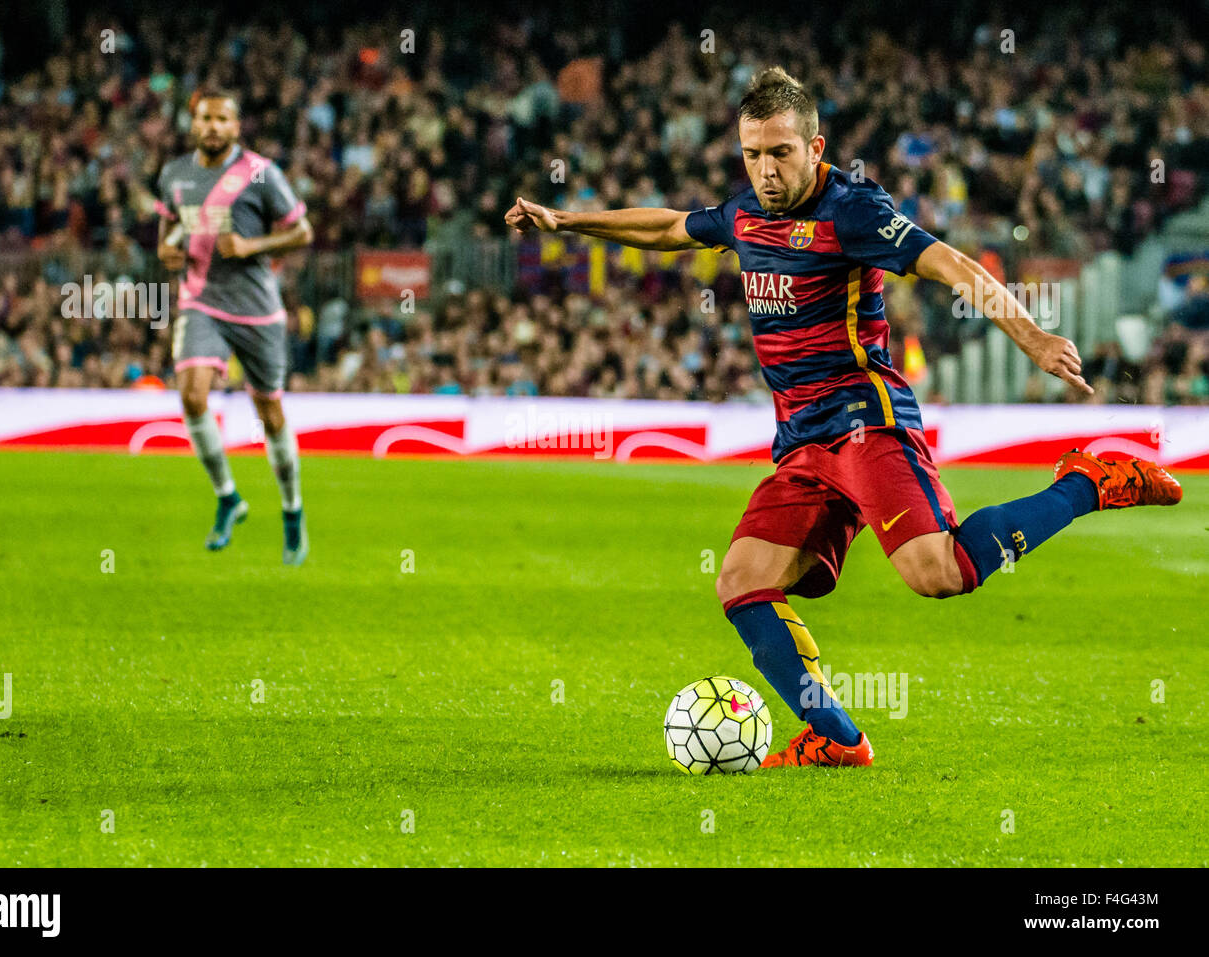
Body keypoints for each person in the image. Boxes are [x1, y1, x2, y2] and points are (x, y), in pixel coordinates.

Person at [505, 67, 1182, 768]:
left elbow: (952, 266)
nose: (765, 170)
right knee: (740, 580)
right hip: (800, 439)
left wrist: (1033, 336)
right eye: (752, 154)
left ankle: (1088, 482)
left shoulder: (852, 211)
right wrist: (566, 219)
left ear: (815, 146)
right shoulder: (745, 214)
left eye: (780, 153)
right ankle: (836, 736)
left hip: (865, 418)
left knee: (939, 570)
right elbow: (672, 226)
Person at [156, 90, 314, 565]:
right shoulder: (174, 174)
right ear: (193, 123)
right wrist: (166, 252)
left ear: (236, 126)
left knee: (270, 411)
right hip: (201, 301)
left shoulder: (261, 173)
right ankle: (227, 496)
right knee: (191, 393)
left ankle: (292, 509)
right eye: (205, 118)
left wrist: (251, 248)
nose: (212, 126)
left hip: (257, 310)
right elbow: (169, 235)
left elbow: (302, 232)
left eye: (222, 118)